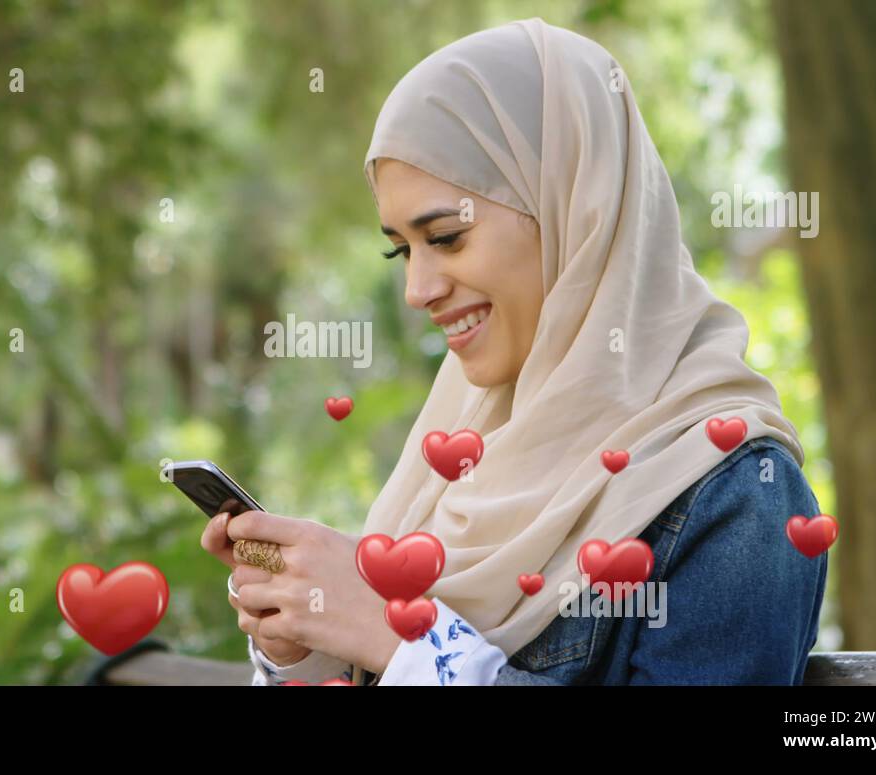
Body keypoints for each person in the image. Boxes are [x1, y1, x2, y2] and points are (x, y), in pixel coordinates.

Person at [200, 16, 828, 686]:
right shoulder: (459, 459)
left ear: (573, 211)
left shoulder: (738, 499)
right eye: (400, 249)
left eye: (444, 237)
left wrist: (401, 638)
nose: (417, 288)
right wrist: (309, 644)